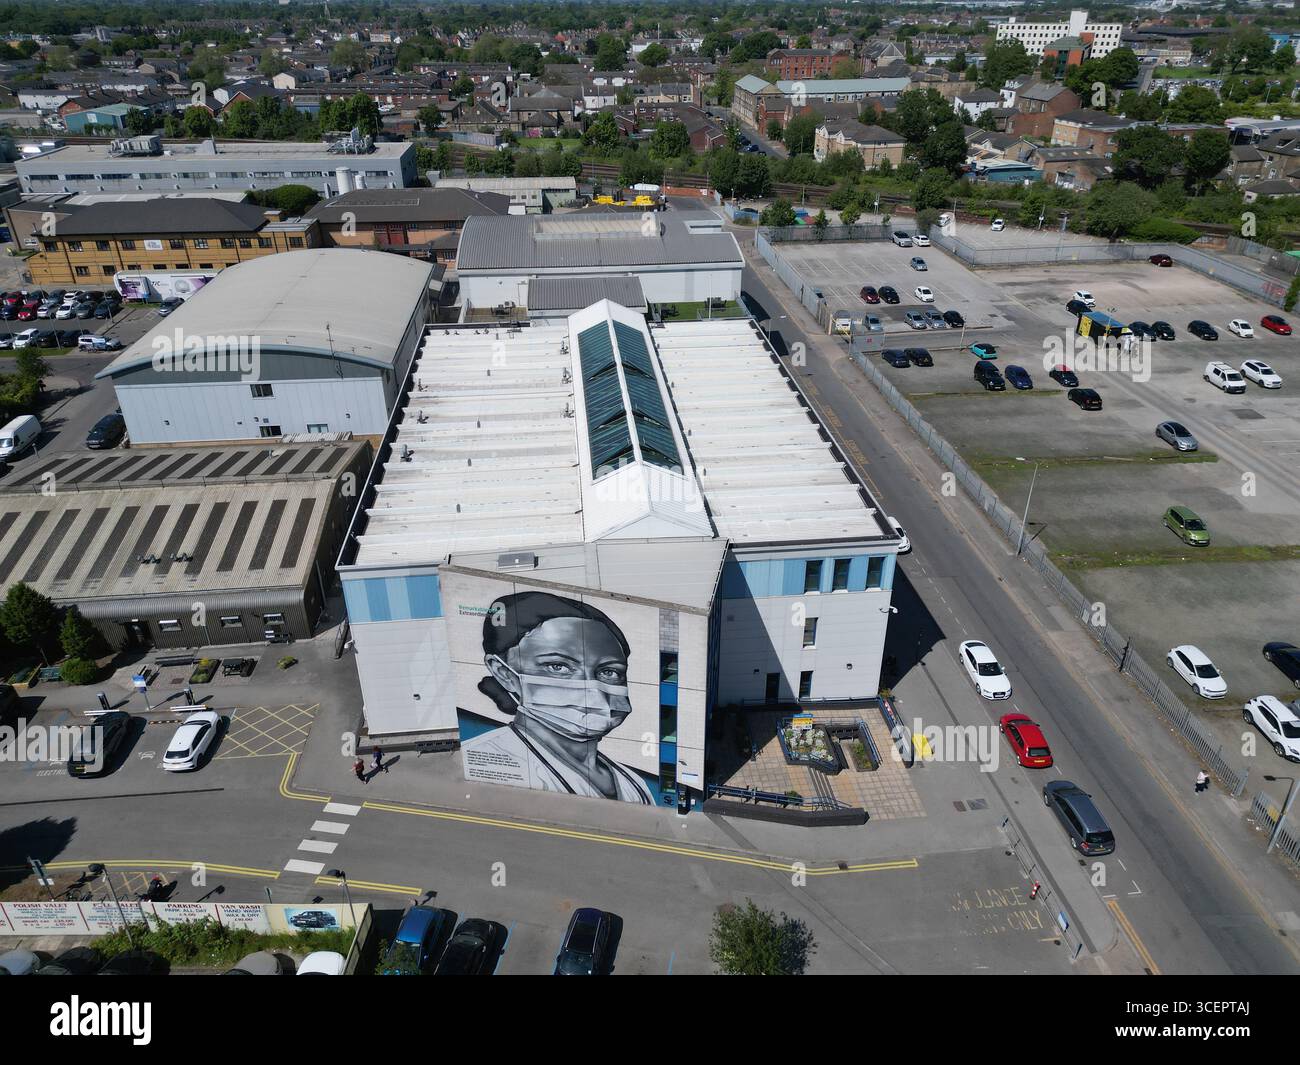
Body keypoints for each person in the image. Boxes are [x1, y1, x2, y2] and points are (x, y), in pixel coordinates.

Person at [460, 591, 655, 804]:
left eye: (609, 672)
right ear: (503, 673)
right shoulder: (489, 756)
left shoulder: (632, 783)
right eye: (558, 667)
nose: (593, 691)